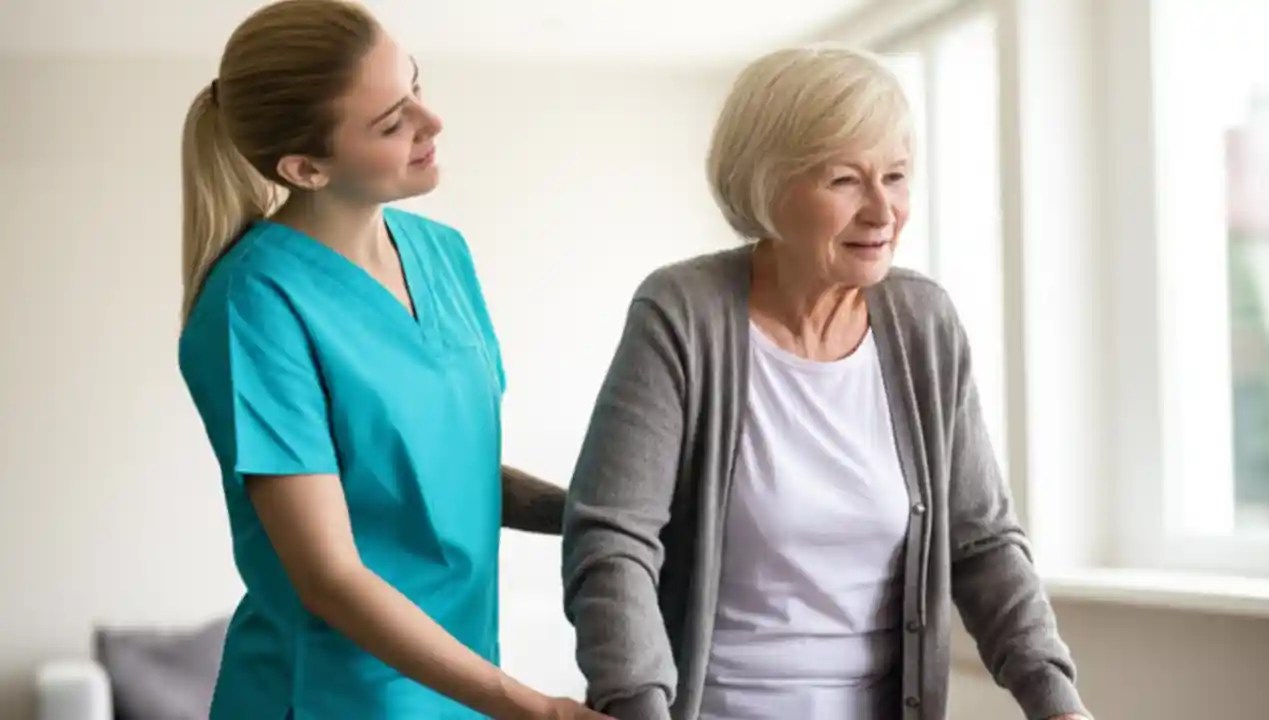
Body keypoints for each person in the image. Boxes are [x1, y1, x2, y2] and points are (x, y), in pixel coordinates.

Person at [561, 46, 1092, 720]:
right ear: (767, 185)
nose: (883, 210)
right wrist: (637, 705)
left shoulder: (924, 325)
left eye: (896, 177)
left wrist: (1057, 702)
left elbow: (981, 542)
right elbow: (613, 542)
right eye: (845, 180)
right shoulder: (682, 314)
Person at [177, 2, 605, 718]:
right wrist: (538, 708)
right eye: (390, 122)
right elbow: (330, 577)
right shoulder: (254, 303)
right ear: (305, 167)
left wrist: (599, 516)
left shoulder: (443, 255)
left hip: (457, 689)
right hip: (326, 698)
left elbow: (444, 474)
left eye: (414, 86)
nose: (431, 122)